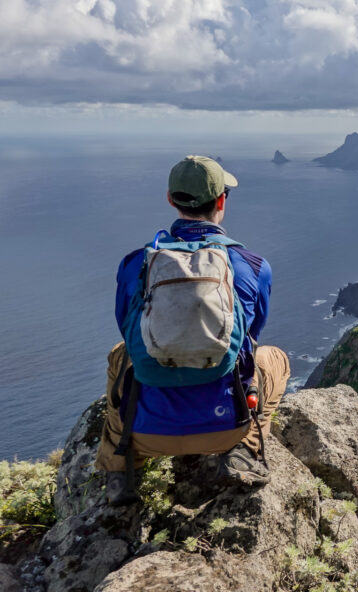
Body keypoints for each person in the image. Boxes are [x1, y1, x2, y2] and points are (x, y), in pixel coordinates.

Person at [95, 155, 289, 505]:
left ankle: (119, 467)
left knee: (117, 355)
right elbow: (251, 334)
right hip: (226, 429)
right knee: (273, 358)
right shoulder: (252, 266)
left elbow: (128, 331)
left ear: (171, 199)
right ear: (221, 201)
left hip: (145, 434)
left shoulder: (135, 264)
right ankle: (246, 449)